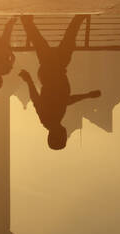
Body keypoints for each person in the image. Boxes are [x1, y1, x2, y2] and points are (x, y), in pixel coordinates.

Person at [17, 15, 101, 150]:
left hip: (52, 73)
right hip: (56, 71)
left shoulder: (47, 119)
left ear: (56, 136)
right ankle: (27, 21)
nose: (65, 134)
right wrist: (87, 95)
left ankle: (27, 20)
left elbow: (36, 99)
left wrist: (28, 80)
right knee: (45, 44)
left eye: (63, 137)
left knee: (49, 43)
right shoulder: (55, 119)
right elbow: (66, 100)